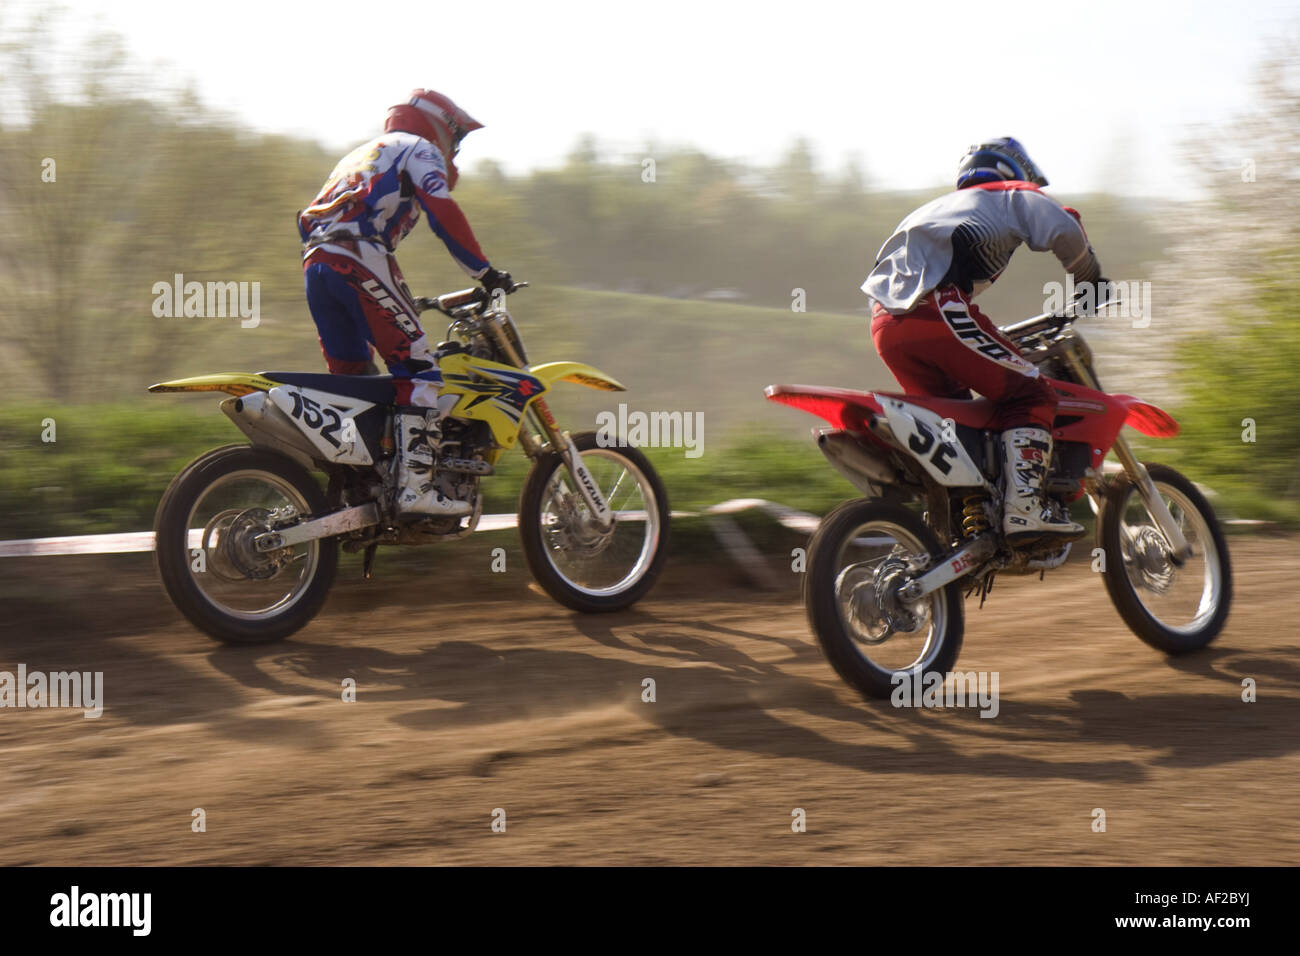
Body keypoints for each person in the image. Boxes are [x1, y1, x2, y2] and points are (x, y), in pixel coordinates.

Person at [861, 137, 1102, 543]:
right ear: (1013, 171)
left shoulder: (930, 210)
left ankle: (963, 524)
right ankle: (1024, 509)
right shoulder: (1008, 194)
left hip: (885, 324)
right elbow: (1063, 226)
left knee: (958, 422)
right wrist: (1092, 282)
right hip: (938, 310)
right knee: (1032, 396)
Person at [297, 89, 514, 517]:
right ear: (442, 128)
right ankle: (415, 487)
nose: (455, 151)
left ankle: (360, 487)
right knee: (419, 369)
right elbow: (442, 210)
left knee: (355, 377)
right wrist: (484, 273)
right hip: (357, 257)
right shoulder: (419, 149)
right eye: (458, 139)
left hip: (317, 265)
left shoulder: (362, 154)